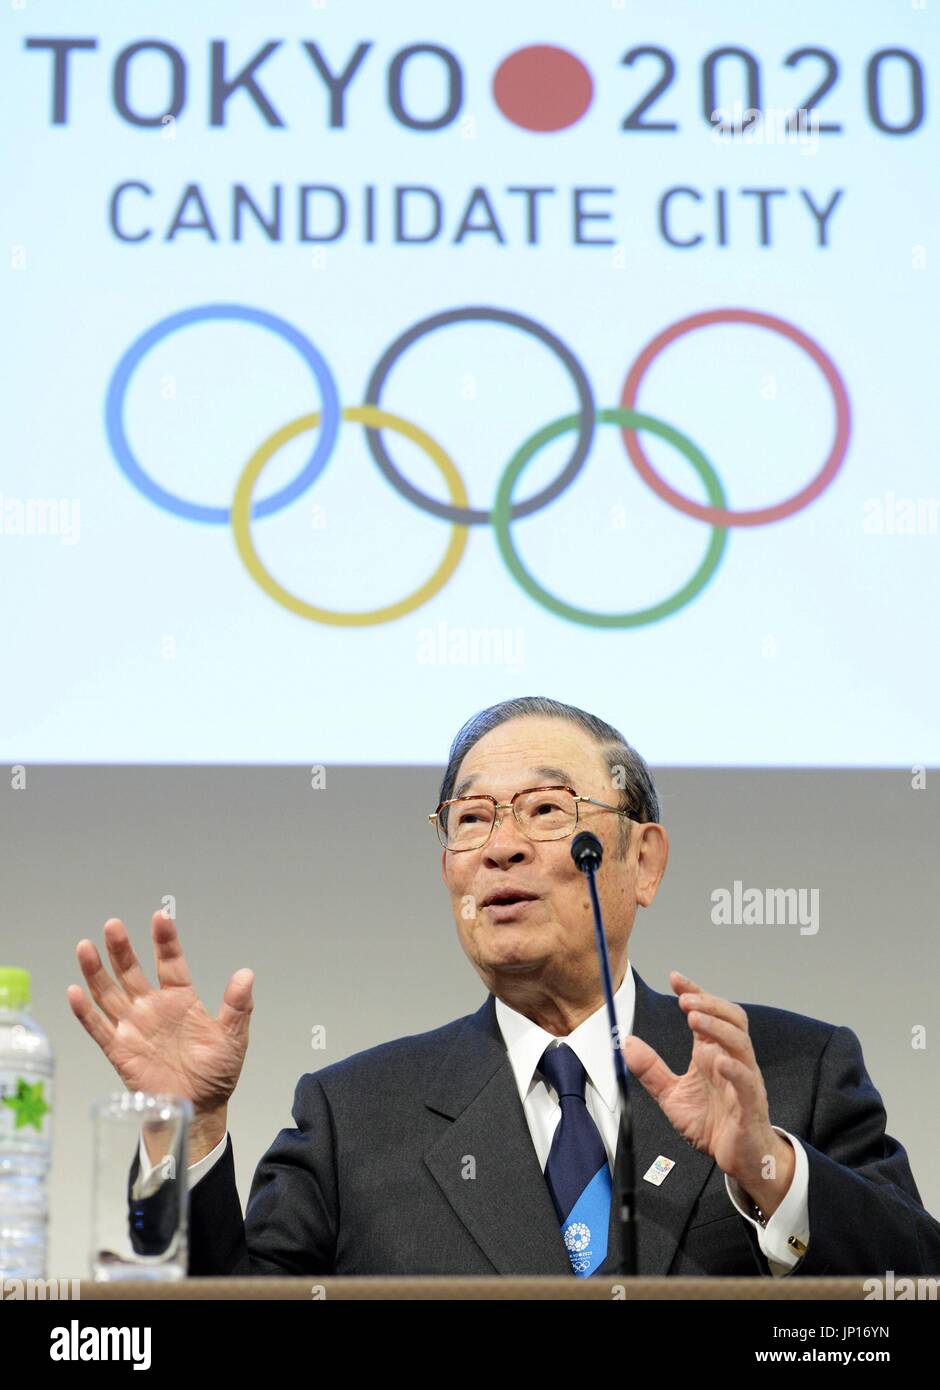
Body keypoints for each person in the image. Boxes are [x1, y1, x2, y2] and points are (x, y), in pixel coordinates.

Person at [68, 696, 940, 1277]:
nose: (502, 847)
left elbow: (913, 1297)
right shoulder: (354, 1114)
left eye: (548, 810)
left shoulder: (791, 1071)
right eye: (472, 818)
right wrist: (185, 1131)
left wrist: (765, 1168)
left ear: (645, 859)